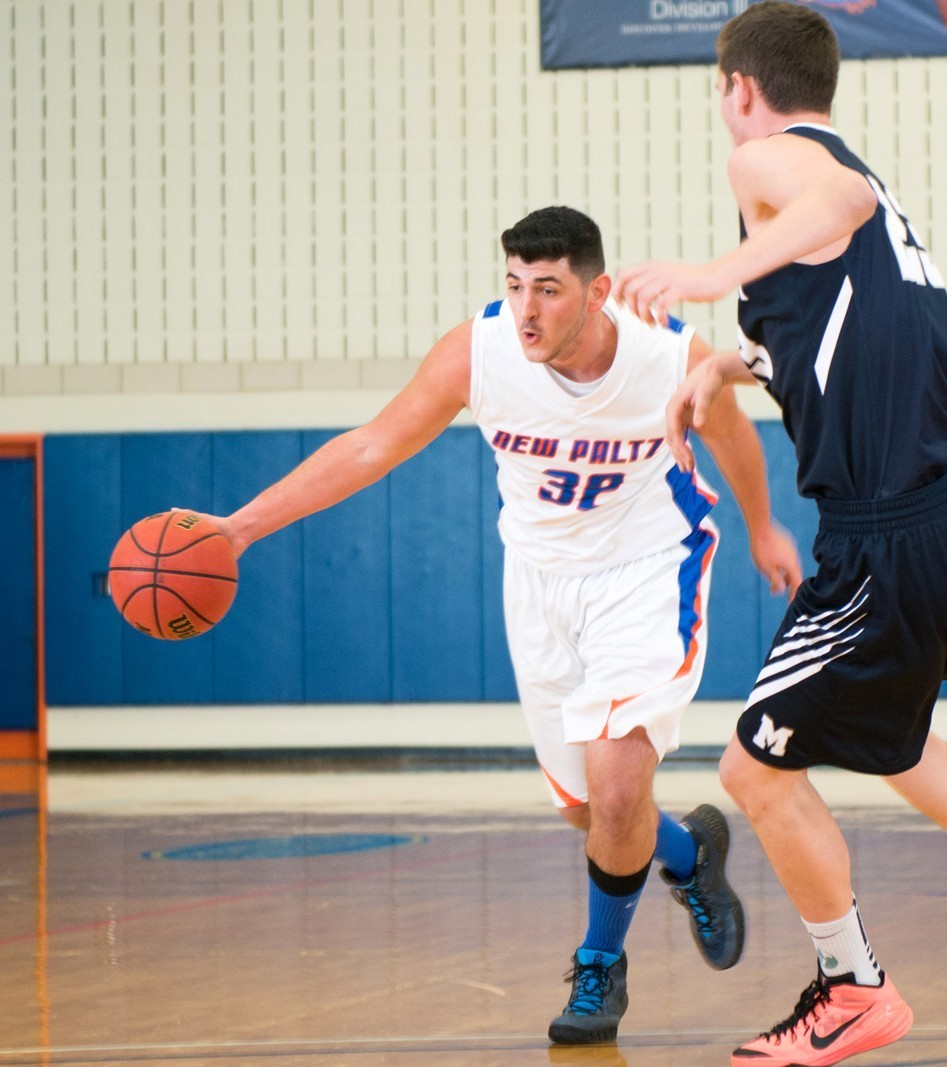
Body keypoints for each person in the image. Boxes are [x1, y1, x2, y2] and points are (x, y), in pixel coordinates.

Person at [615, 4, 947, 1064]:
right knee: (892, 727)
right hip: (943, 513)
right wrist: (716, 364)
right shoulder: (838, 235)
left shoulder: (780, 165)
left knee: (754, 772)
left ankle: (854, 988)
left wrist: (708, 274)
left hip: (886, 533)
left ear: (739, 88)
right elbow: (815, 332)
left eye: (720, 91)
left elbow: (837, 197)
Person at [195, 206, 802, 1046]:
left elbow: (732, 433)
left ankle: (599, 967)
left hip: (647, 568)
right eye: (514, 285)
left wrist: (764, 526)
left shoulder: (668, 354)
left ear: (596, 294)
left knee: (618, 776)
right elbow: (372, 446)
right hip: (540, 582)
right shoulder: (477, 351)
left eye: (548, 290)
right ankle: (690, 851)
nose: (526, 309)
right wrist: (239, 528)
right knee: (590, 811)